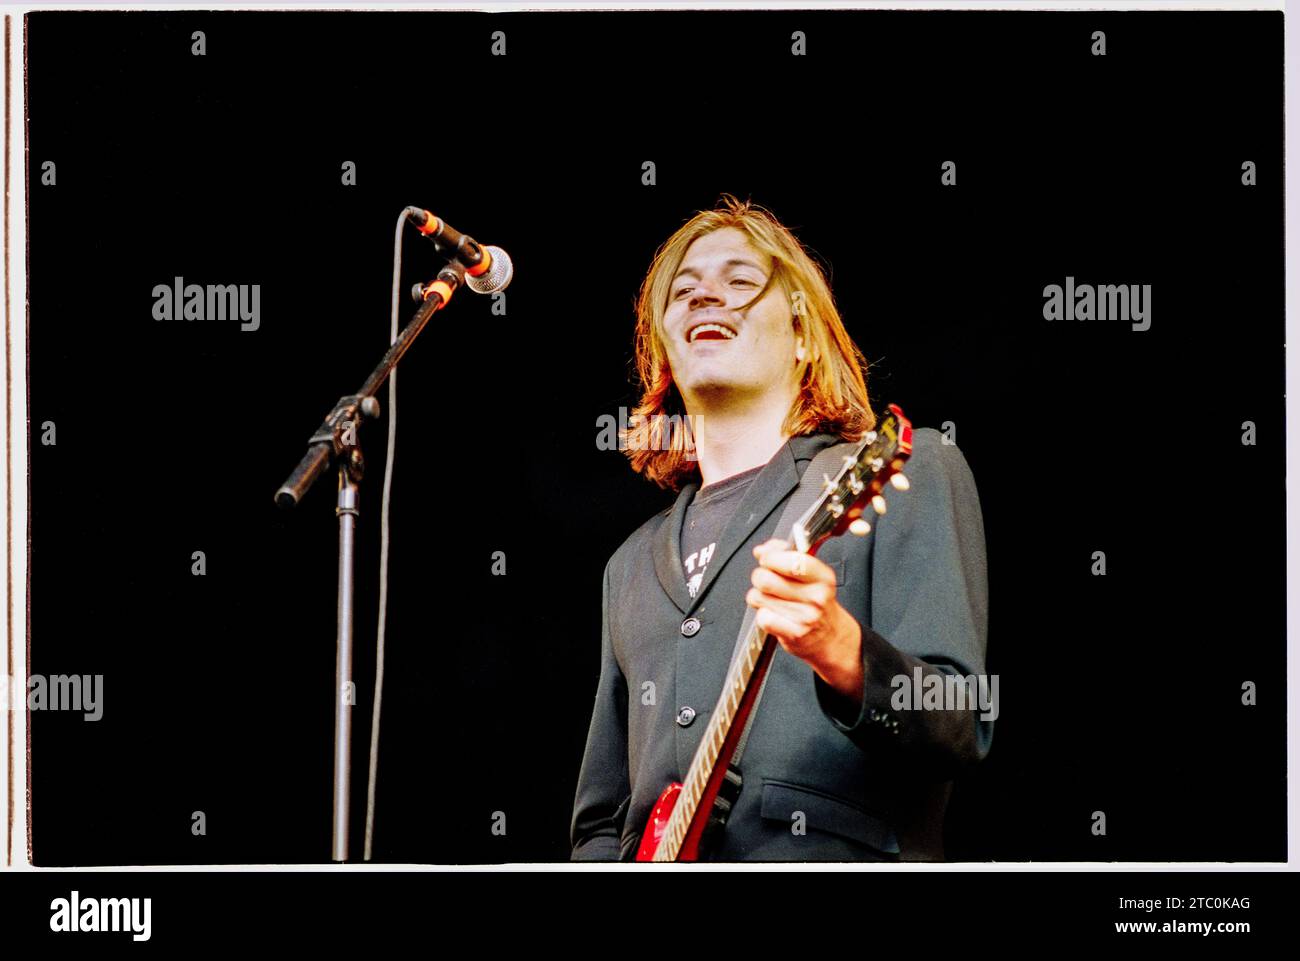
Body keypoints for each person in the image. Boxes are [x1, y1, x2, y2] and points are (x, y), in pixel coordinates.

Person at [570, 195, 992, 861]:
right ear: (664, 350)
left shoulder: (899, 474)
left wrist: (840, 648)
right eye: (684, 292)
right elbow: (598, 822)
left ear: (802, 335)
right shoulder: (628, 564)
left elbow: (963, 722)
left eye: (740, 281)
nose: (706, 296)